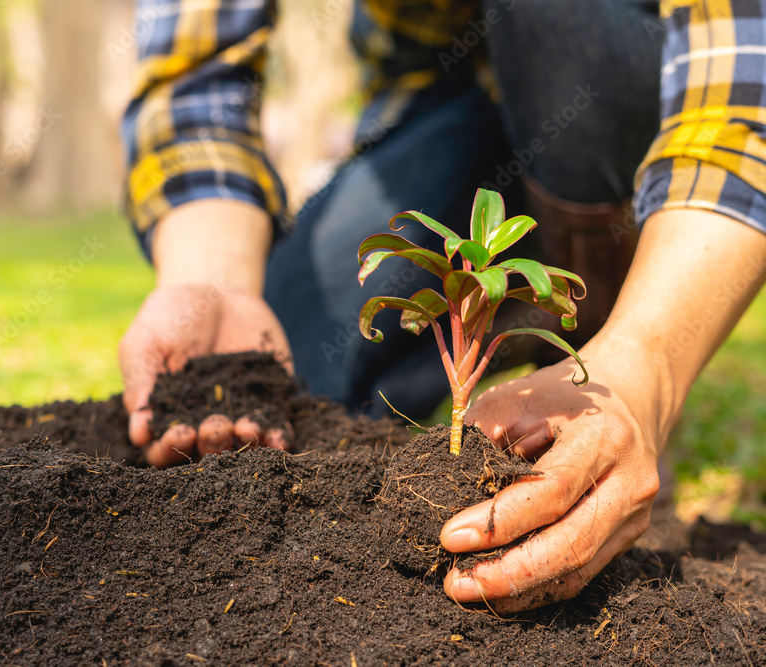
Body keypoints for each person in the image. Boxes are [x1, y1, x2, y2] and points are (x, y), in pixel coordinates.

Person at [118, 0, 766, 611]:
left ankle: (610, 336)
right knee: (283, 369)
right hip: (452, 112)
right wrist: (214, 278)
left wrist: (644, 362)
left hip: (632, 111)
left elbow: (743, 99)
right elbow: (194, 76)